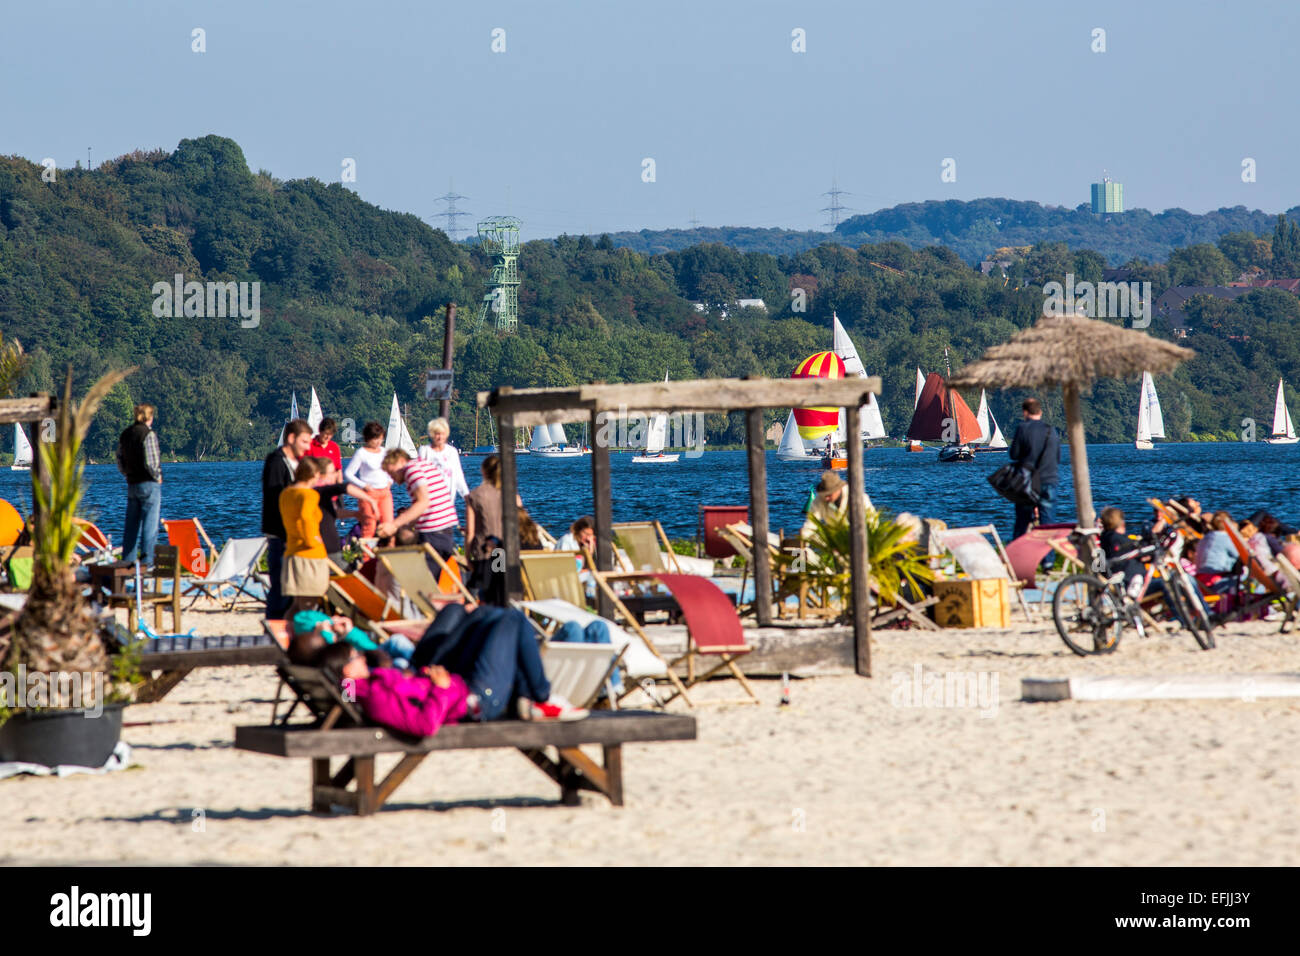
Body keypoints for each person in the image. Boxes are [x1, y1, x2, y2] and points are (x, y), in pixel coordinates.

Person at [408, 603, 587, 721]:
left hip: (431, 679)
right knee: (514, 618)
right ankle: (542, 697)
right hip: (473, 700)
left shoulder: (388, 681)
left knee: (469, 611)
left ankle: (530, 695)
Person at [306, 640, 469, 737]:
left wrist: (418, 676)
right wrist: (441, 688)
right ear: (347, 670)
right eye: (357, 656)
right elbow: (425, 725)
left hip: (441, 685)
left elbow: (348, 690)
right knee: (486, 619)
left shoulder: (355, 689)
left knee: (464, 614)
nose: (363, 658)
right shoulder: (372, 694)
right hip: (464, 698)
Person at [262, 418, 313, 619]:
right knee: (281, 589)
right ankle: (274, 627)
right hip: (280, 534)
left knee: (292, 588)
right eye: (305, 441)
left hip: (293, 535)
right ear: (291, 438)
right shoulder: (276, 461)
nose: (308, 447)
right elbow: (276, 497)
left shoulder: (298, 463)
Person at [378, 448, 458, 562]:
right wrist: (405, 526)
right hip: (444, 531)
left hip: (433, 534)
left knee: (416, 576)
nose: (392, 478)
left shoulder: (411, 470)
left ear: (401, 461)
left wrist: (393, 525)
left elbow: (423, 502)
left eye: (391, 472)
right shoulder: (420, 465)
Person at [279, 457, 333, 615]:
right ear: (314, 474)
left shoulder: (286, 493)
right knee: (308, 606)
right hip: (309, 555)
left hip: (292, 551)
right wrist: (311, 540)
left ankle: (283, 636)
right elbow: (305, 517)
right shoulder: (309, 495)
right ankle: (302, 637)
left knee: (296, 606)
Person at [1007, 397, 1061, 540]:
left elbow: (1014, 454)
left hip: (1028, 482)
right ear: (1041, 412)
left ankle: (1018, 557)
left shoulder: (1022, 428)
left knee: (1022, 523)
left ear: (1025, 412)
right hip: (1049, 480)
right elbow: (1057, 458)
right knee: (1048, 524)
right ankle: (1048, 561)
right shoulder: (1052, 431)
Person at [117, 403, 163, 567]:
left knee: (131, 527)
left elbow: (120, 459)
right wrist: (158, 476)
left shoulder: (126, 434)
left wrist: (127, 474)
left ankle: (127, 564)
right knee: (149, 528)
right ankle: (147, 564)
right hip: (148, 484)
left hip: (132, 483)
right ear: (149, 417)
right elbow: (152, 462)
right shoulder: (147, 434)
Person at [312, 459, 373, 568]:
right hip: (326, 552)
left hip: (328, 550)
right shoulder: (320, 490)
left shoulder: (319, 493)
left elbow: (333, 512)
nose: (335, 475)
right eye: (332, 472)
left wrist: (354, 514)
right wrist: (370, 500)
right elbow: (344, 487)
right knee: (351, 571)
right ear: (320, 475)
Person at [343, 422, 394, 538]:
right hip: (368, 494)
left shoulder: (384, 452)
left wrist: (390, 481)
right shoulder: (361, 453)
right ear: (368, 438)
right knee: (369, 526)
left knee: (388, 525)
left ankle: (388, 553)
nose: (378, 442)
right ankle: (366, 555)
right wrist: (363, 485)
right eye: (375, 439)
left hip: (385, 492)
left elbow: (390, 469)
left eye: (380, 439)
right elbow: (348, 473)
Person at [800, 470, 873, 540]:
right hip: (833, 540)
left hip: (859, 538)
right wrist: (802, 539)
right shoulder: (820, 500)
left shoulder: (857, 497)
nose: (826, 498)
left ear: (838, 490)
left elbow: (871, 520)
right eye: (824, 495)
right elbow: (811, 524)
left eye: (829, 495)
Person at [418, 417, 469, 503]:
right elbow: (419, 477)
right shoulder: (424, 451)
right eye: (437, 434)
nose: (440, 437)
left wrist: (467, 497)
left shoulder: (452, 452)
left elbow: (458, 477)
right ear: (432, 434)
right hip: (429, 501)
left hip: (448, 502)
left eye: (443, 433)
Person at [1194, 511, 1239, 578]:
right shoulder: (1226, 538)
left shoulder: (1205, 537)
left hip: (1199, 578)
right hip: (1216, 577)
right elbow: (1241, 556)